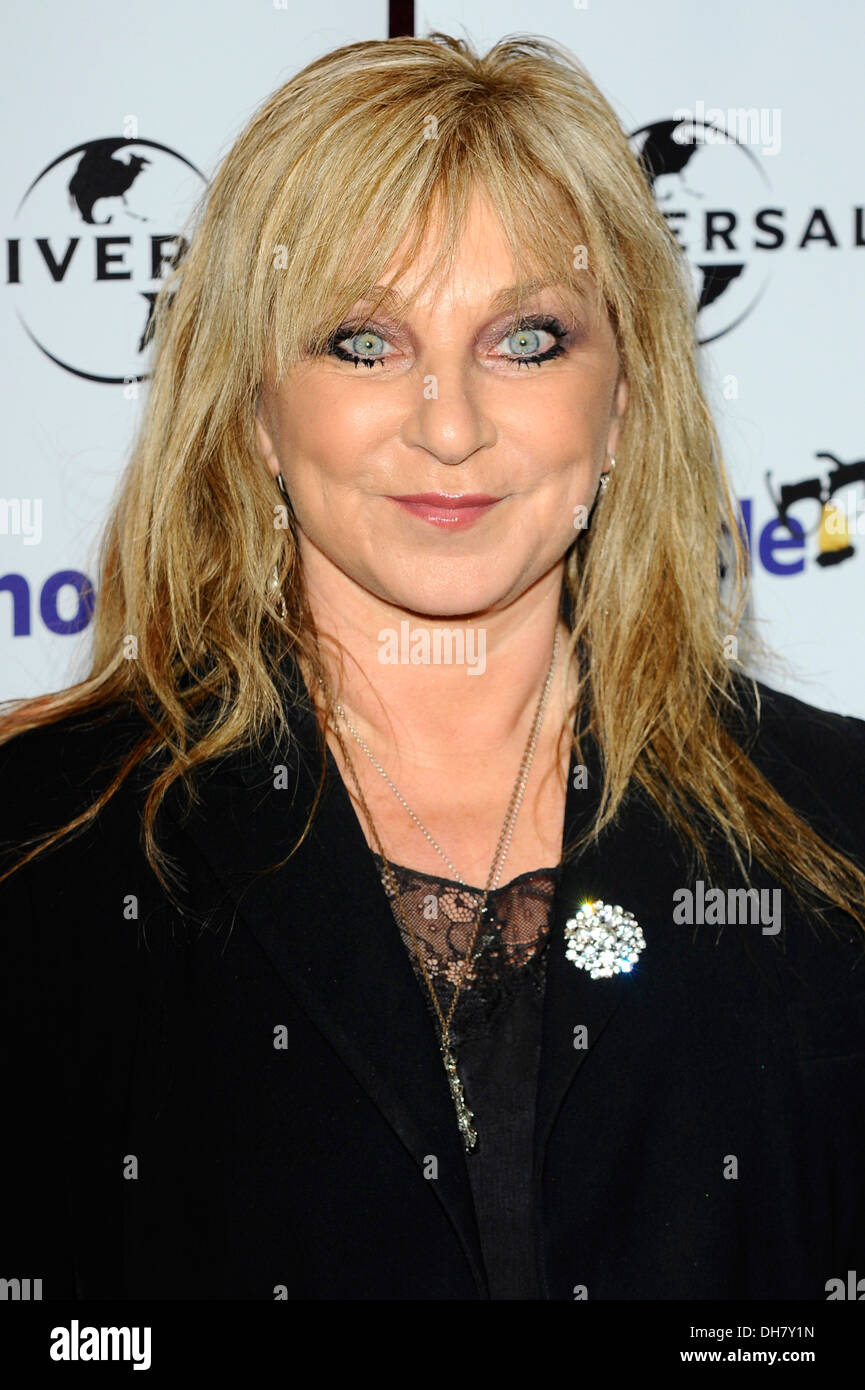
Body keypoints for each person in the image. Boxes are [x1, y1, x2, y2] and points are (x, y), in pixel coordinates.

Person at [1, 31, 863, 1302]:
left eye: (524, 339)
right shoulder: (44, 853)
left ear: (623, 399)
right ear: (252, 407)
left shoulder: (836, 830)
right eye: (363, 341)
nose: (448, 424)